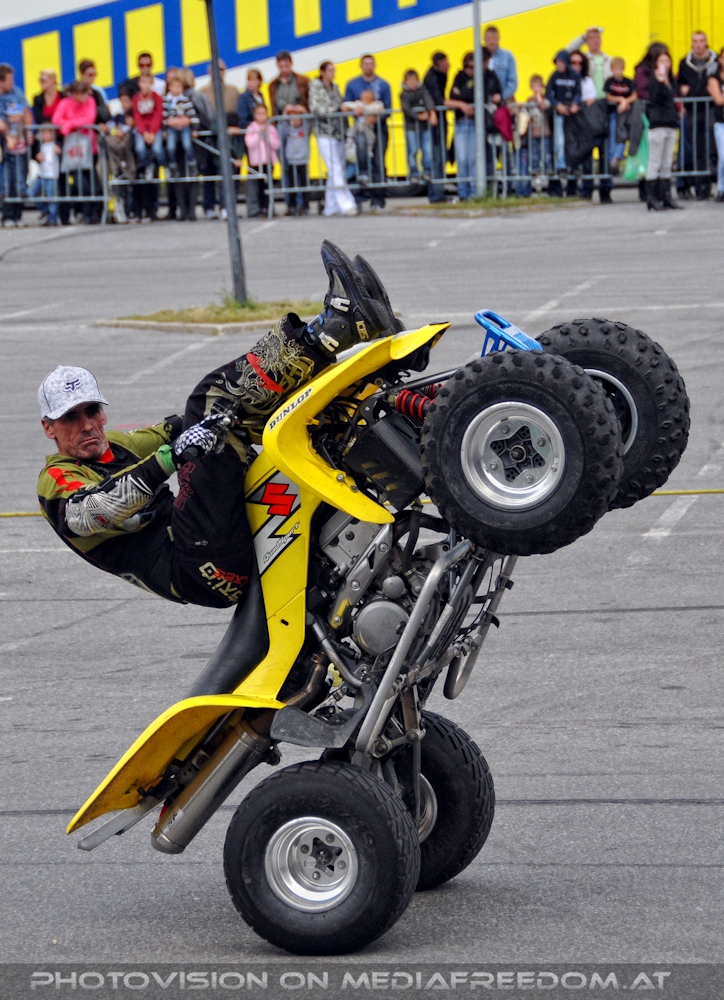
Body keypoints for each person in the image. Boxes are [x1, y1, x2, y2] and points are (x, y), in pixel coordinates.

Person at [37, 243, 399, 609]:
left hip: (210, 541)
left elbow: (183, 426)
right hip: (195, 566)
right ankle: (331, 328)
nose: (86, 425)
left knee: (224, 412)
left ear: (103, 413)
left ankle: (370, 371)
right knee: (207, 399)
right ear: (49, 428)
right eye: (70, 417)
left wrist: (230, 414)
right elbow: (88, 514)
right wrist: (171, 456)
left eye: (91, 411)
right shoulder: (56, 478)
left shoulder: (116, 443)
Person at [448, 50, 501, 200]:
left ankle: (474, 191)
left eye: (473, 67)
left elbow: (491, 96)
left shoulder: (485, 77)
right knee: (462, 159)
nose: (471, 70)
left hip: (477, 123)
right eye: (468, 67)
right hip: (461, 122)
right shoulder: (459, 78)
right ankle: (463, 192)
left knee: (473, 159)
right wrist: (462, 105)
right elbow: (451, 98)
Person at [310, 61, 358, 217]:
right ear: (322, 72)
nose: (333, 73)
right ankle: (346, 204)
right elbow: (316, 109)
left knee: (337, 169)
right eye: (330, 70)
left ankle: (330, 206)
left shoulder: (335, 87)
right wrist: (337, 109)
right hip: (324, 132)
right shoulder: (315, 87)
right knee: (335, 167)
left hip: (338, 132)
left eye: (334, 70)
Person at [344, 55, 392, 211]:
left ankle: (378, 199)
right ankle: (357, 198)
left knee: (378, 163)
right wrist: (354, 112)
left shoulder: (383, 85)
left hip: (379, 129)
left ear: (375, 65)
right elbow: (345, 106)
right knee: (358, 163)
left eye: (371, 63)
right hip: (359, 130)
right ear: (361, 66)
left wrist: (375, 118)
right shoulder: (352, 84)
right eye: (366, 63)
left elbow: (388, 108)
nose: (368, 66)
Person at [268, 51, 310, 218]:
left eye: (286, 65)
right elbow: (273, 106)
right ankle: (290, 203)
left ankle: (303, 203)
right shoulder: (273, 85)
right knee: (286, 166)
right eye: (281, 65)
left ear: (291, 64)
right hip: (282, 125)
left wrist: (300, 109)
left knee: (301, 164)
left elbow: (307, 101)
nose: (284, 68)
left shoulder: (302, 81)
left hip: (299, 123)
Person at [677, 31, 718, 200]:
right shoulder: (684, 63)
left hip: (712, 108)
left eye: (701, 41)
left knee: (712, 145)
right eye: (695, 41)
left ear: (706, 42)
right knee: (696, 146)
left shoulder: (716, 61)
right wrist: (683, 89)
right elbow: (679, 83)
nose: (698, 44)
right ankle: (700, 185)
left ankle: (713, 180)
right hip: (693, 109)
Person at [51, 80, 98, 224]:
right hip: (69, 149)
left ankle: (89, 214)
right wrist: (71, 124)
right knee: (68, 183)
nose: (84, 97)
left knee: (88, 182)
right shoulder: (65, 103)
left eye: (85, 93)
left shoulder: (90, 101)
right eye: (81, 94)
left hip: (88, 148)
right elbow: (56, 120)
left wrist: (69, 124)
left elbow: (89, 118)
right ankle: (65, 216)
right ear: (74, 94)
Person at [200, 59, 241, 219]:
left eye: (221, 69)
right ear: (209, 72)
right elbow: (202, 116)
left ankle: (227, 206)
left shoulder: (233, 91)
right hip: (209, 138)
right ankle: (209, 207)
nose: (219, 73)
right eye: (215, 70)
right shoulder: (202, 92)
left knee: (229, 173)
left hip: (229, 140)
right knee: (209, 173)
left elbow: (237, 115)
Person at [645, 51, 682, 211]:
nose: (665, 64)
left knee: (667, 162)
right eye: (661, 61)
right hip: (658, 124)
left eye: (667, 60)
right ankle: (651, 197)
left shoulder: (671, 80)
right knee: (655, 162)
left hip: (670, 123)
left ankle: (666, 196)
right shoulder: (654, 80)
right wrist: (660, 81)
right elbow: (655, 98)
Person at [0, 64, 33, 227]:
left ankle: (18, 215)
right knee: (7, 180)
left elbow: (26, 112)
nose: (12, 82)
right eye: (10, 79)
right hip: (4, 143)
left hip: (19, 140)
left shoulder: (16, 92)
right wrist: (7, 137)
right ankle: (7, 215)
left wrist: (29, 132)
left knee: (21, 178)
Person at [545, 50, 581, 196]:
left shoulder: (575, 75)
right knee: (559, 141)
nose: (559, 65)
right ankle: (561, 166)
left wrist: (575, 103)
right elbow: (548, 92)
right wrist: (557, 105)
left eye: (561, 62)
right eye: (557, 63)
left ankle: (573, 166)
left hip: (572, 114)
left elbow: (578, 92)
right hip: (560, 113)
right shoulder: (554, 75)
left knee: (572, 141)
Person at [515, 74, 552, 195]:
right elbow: (525, 113)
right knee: (534, 153)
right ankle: (535, 169)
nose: (536, 89)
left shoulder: (545, 98)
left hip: (544, 132)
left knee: (545, 152)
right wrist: (521, 107)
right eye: (534, 86)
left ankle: (547, 168)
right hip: (533, 133)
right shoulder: (530, 100)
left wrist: (539, 97)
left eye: (538, 86)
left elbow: (544, 106)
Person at [400, 69, 437, 184]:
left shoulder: (423, 91)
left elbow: (428, 101)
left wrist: (431, 113)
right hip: (411, 127)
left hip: (425, 127)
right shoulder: (403, 94)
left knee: (427, 150)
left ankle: (427, 172)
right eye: (410, 81)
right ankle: (414, 173)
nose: (412, 83)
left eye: (414, 80)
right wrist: (418, 116)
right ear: (405, 82)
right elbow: (406, 109)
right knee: (412, 150)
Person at [243, 102, 280, 218]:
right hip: (256, 162)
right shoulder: (251, 128)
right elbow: (249, 143)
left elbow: (276, 144)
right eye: (258, 114)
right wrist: (259, 134)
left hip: (268, 162)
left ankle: (268, 207)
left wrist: (267, 136)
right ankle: (259, 207)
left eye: (263, 113)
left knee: (267, 185)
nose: (261, 116)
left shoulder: (271, 128)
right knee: (258, 186)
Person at [343, 88, 384, 191]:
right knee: (352, 160)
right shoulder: (358, 104)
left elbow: (379, 109)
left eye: (365, 99)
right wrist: (353, 109)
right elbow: (346, 105)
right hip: (354, 137)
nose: (362, 101)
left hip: (368, 136)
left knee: (366, 158)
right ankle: (342, 178)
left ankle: (359, 177)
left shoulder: (375, 105)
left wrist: (365, 110)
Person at [423, 51, 450, 203]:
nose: (448, 66)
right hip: (434, 123)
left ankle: (439, 191)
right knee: (436, 157)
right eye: (445, 64)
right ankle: (436, 194)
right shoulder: (432, 78)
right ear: (437, 65)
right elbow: (438, 99)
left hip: (441, 120)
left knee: (441, 156)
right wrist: (458, 104)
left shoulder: (442, 74)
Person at [163, 69, 199, 177]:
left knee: (187, 144)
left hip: (185, 128)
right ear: (169, 87)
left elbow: (192, 114)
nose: (176, 89)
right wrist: (166, 126)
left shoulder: (185, 100)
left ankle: (192, 164)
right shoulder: (166, 101)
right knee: (170, 147)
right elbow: (163, 116)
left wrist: (194, 129)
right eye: (174, 86)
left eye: (179, 86)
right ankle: (172, 166)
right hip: (171, 129)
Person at [604, 57, 636, 172]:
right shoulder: (609, 81)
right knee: (613, 136)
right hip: (613, 113)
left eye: (620, 69)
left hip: (626, 113)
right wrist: (620, 99)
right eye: (615, 69)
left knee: (623, 135)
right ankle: (612, 160)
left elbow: (634, 95)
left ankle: (617, 157)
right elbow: (608, 96)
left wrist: (626, 102)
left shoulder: (628, 81)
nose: (617, 71)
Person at [566, 27, 611, 98]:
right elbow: (567, 51)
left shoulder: (610, 60)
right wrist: (583, 37)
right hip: (588, 99)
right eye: (592, 38)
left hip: (607, 100)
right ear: (586, 42)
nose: (595, 41)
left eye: (598, 38)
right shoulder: (583, 59)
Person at [283, 112, 310, 215]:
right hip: (291, 161)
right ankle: (292, 206)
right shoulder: (288, 129)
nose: (296, 121)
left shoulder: (305, 129)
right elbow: (283, 123)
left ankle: (305, 206)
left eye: (298, 119)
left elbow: (308, 121)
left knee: (304, 184)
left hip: (303, 160)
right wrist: (286, 112)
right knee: (292, 185)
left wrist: (302, 110)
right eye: (293, 119)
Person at [706, 48, 724, 203]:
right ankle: (721, 188)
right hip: (721, 122)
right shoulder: (714, 78)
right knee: (723, 157)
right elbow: (718, 99)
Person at [484, 25, 518, 103]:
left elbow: (512, 82)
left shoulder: (507, 56)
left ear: (499, 38)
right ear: (484, 39)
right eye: (489, 38)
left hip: (503, 101)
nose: (492, 42)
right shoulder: (477, 57)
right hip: (482, 102)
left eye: (494, 38)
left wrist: (501, 95)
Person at [36, 126, 60, 226]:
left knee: (51, 197)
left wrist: (58, 150)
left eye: (48, 133)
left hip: (52, 175)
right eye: (44, 134)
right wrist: (38, 157)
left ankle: (52, 219)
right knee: (31, 192)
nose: (45, 136)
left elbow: (59, 151)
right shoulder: (41, 145)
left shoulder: (55, 145)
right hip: (42, 174)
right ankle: (45, 210)